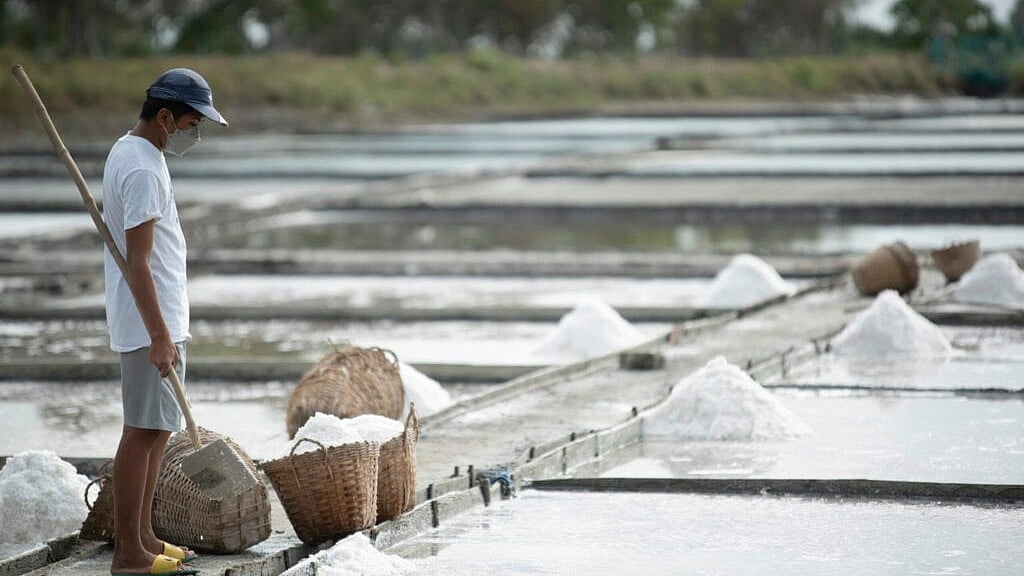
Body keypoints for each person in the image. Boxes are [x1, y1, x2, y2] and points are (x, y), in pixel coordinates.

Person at [103, 68, 227, 576]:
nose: (191, 132)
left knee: (157, 431)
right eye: (190, 121)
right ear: (163, 115)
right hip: (148, 323)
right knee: (141, 430)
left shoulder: (133, 152)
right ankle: (128, 553)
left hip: (160, 320)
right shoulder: (143, 170)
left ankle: (146, 537)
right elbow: (139, 260)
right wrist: (158, 336)